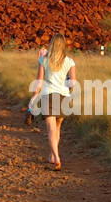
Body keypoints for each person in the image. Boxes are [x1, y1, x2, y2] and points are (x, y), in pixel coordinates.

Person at [29, 32, 77, 169]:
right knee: (57, 128)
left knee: (50, 129)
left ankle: (56, 157)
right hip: (63, 97)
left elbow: (39, 82)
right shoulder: (69, 61)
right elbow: (73, 83)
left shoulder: (44, 60)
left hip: (48, 95)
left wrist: (33, 98)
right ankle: (52, 155)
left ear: (52, 44)